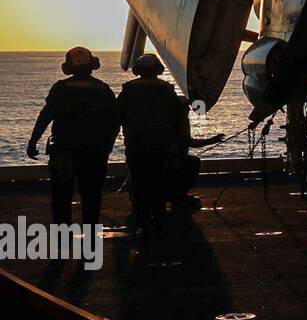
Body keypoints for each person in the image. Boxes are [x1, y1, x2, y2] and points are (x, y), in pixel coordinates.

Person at [117, 54, 223, 234]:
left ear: (137, 71)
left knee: (139, 182)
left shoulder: (127, 90)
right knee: (158, 184)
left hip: (135, 146)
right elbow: (182, 129)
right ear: (158, 70)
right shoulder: (167, 91)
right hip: (161, 148)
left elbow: (117, 117)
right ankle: (158, 222)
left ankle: (142, 223)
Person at [26, 47, 120, 227]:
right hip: (94, 153)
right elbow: (114, 122)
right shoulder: (103, 90)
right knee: (92, 199)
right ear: (92, 65)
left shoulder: (60, 89)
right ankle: (90, 241)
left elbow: (45, 116)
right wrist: (107, 147)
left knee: (61, 199)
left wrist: (33, 141)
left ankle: (62, 240)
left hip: (62, 152)